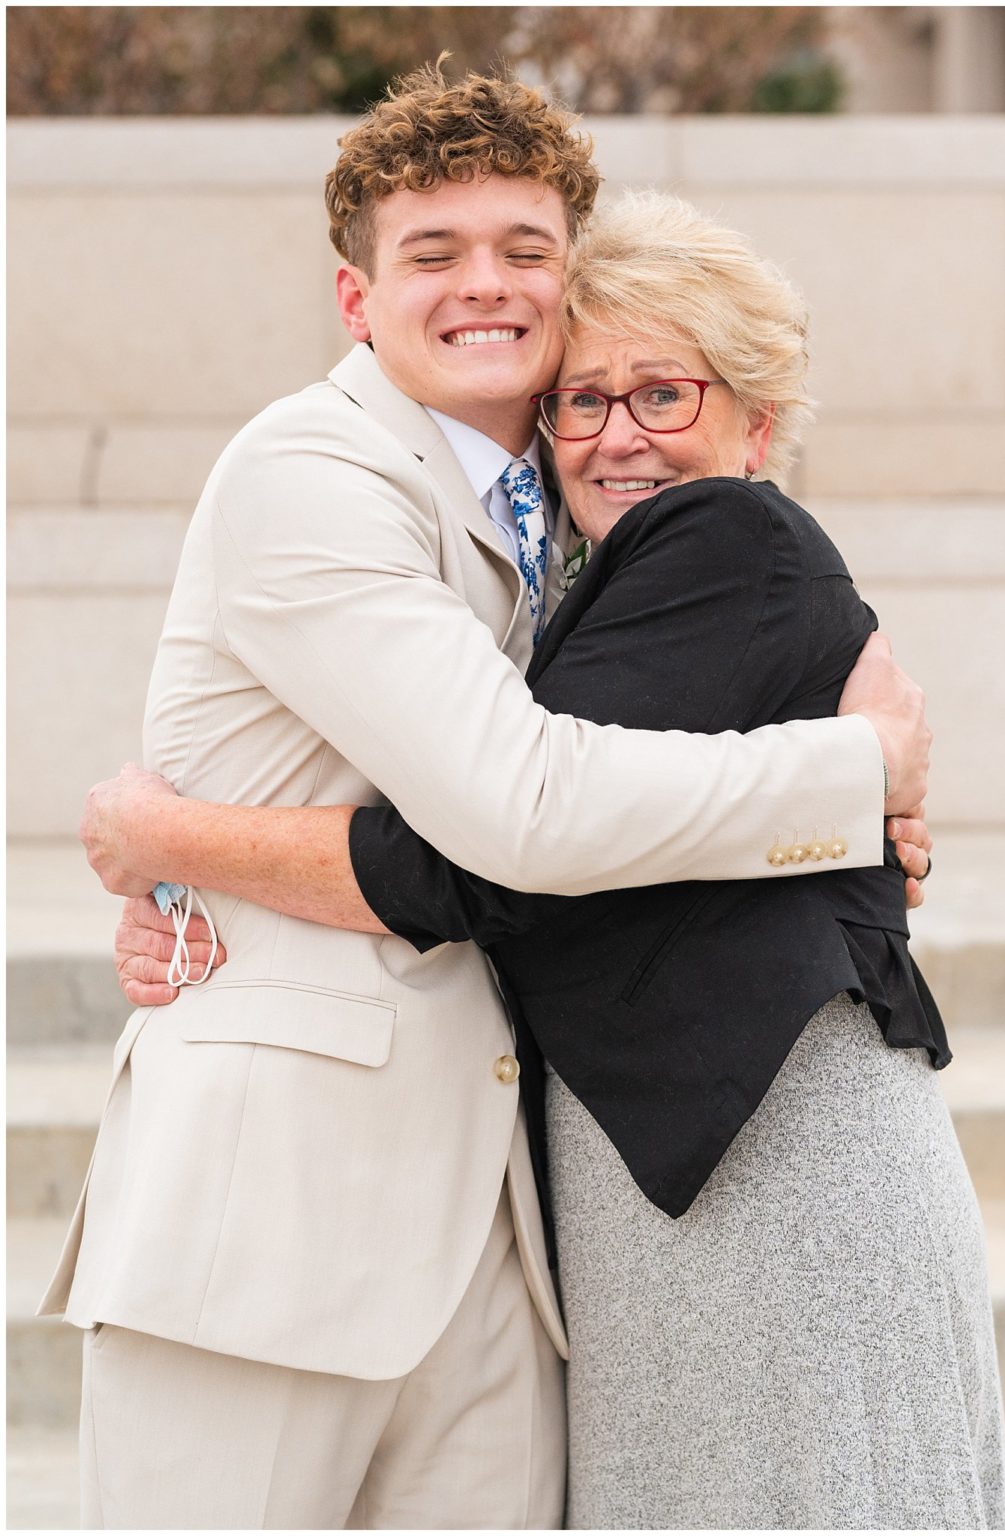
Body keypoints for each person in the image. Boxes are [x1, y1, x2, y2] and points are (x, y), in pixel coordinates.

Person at [56, 67, 931, 1531]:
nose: (489, 286)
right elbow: (521, 810)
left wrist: (177, 843)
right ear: (355, 300)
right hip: (269, 1224)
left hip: (501, 1242)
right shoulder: (310, 469)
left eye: (526, 248)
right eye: (434, 253)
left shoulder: (578, 498)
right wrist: (855, 777)